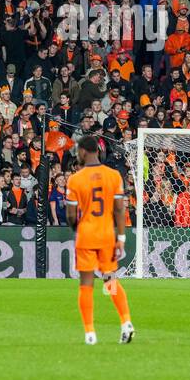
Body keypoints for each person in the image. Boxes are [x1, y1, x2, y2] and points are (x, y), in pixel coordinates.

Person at [64, 135, 134, 346]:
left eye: (78, 151)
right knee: (110, 280)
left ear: (84, 152)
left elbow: (70, 214)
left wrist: (77, 228)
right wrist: (120, 237)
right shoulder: (114, 175)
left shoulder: (75, 179)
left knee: (86, 284)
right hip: (107, 235)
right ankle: (126, 322)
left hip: (86, 235)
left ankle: (90, 333)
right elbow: (120, 209)